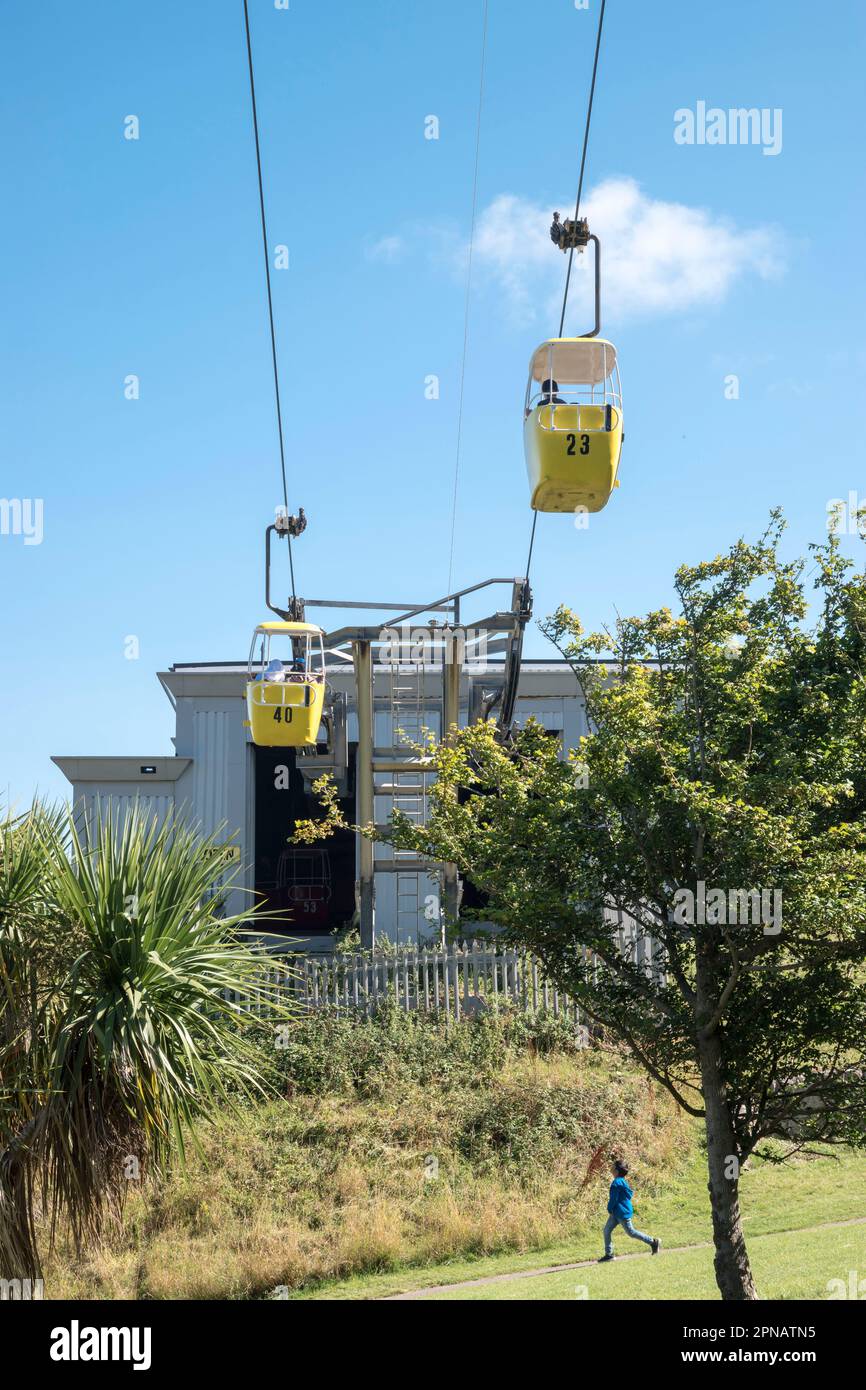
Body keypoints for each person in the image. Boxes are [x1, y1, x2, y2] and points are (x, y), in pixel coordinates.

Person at [597, 1159, 660, 1262]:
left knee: (631, 1232)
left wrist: (609, 1208)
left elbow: (614, 1199)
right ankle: (609, 1255)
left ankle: (653, 1242)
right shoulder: (622, 1181)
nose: (611, 1167)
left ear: (616, 1171)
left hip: (621, 1212)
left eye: (613, 1165)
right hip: (617, 1212)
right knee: (606, 1231)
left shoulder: (616, 1183)